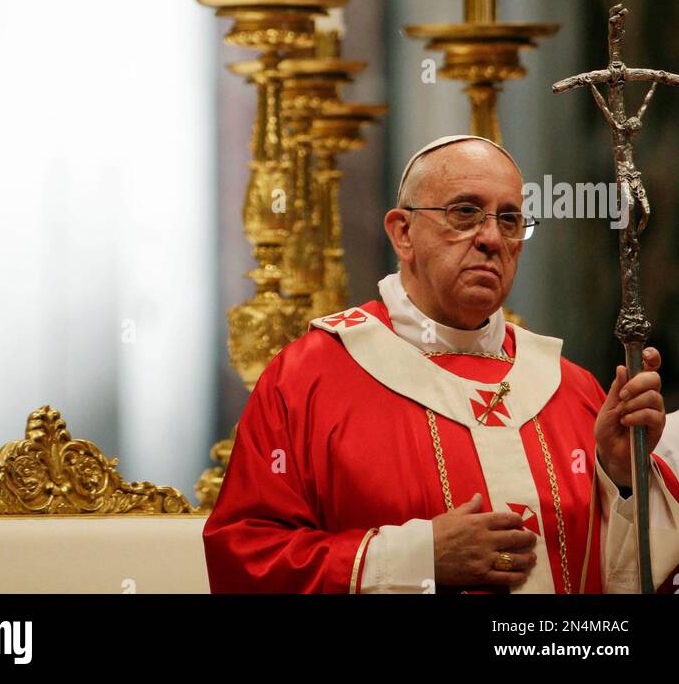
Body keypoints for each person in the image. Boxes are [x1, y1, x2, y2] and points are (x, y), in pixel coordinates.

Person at [203, 134, 679, 594]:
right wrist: (417, 559)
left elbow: (618, 579)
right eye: (465, 212)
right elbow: (246, 560)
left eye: (510, 219)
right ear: (403, 232)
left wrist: (619, 476)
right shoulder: (311, 376)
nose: (492, 238)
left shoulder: (570, 388)